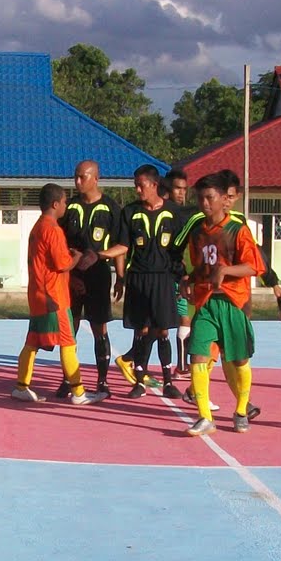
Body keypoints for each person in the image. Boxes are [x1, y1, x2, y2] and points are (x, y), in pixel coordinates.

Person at [181, 171, 267, 436]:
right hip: (206, 302)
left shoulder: (237, 230)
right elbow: (200, 268)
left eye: (209, 198)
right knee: (197, 354)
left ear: (223, 200)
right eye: (200, 198)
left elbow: (254, 267)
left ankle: (241, 409)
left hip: (231, 302)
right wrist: (189, 279)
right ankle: (205, 417)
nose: (204, 203)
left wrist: (227, 271)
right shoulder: (197, 233)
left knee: (239, 360)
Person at [10, 184, 105, 406]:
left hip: (39, 294)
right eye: (63, 202)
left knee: (32, 341)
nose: (65, 205)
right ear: (55, 204)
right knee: (68, 342)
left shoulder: (38, 227)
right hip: (54, 297)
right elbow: (62, 264)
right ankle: (79, 391)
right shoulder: (52, 229)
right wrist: (77, 256)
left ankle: (21, 386)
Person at [103, 164, 183, 399]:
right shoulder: (130, 212)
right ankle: (139, 381)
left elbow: (181, 249)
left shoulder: (174, 213)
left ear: (154, 185)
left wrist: (183, 278)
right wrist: (110, 265)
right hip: (138, 279)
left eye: (141, 185)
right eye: (135, 185)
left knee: (163, 331)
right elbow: (123, 248)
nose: (138, 189)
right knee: (141, 330)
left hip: (164, 279)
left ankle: (168, 381)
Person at [60, 159, 121, 395]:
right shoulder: (70, 207)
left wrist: (121, 277)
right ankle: (68, 379)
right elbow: (60, 244)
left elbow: (121, 246)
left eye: (82, 177)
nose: (77, 182)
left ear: (95, 178)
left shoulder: (111, 208)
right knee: (69, 329)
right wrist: (69, 272)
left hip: (98, 276)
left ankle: (102, 380)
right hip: (72, 276)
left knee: (99, 328)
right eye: (75, 177)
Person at [164, 167, 195, 374]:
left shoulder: (191, 214)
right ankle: (181, 367)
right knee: (167, 323)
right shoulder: (164, 214)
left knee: (186, 319)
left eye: (184, 189)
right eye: (177, 188)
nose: (181, 193)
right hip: (169, 275)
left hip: (185, 276)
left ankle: (181, 365)